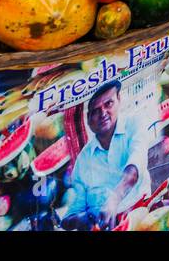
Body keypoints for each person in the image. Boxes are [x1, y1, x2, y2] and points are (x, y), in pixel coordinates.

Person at [59, 81, 148, 229]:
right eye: (95, 110)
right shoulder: (83, 160)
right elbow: (69, 217)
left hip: (143, 212)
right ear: (88, 120)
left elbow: (134, 169)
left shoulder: (134, 124)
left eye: (108, 104)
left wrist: (114, 199)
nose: (103, 113)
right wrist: (81, 219)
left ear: (119, 100)